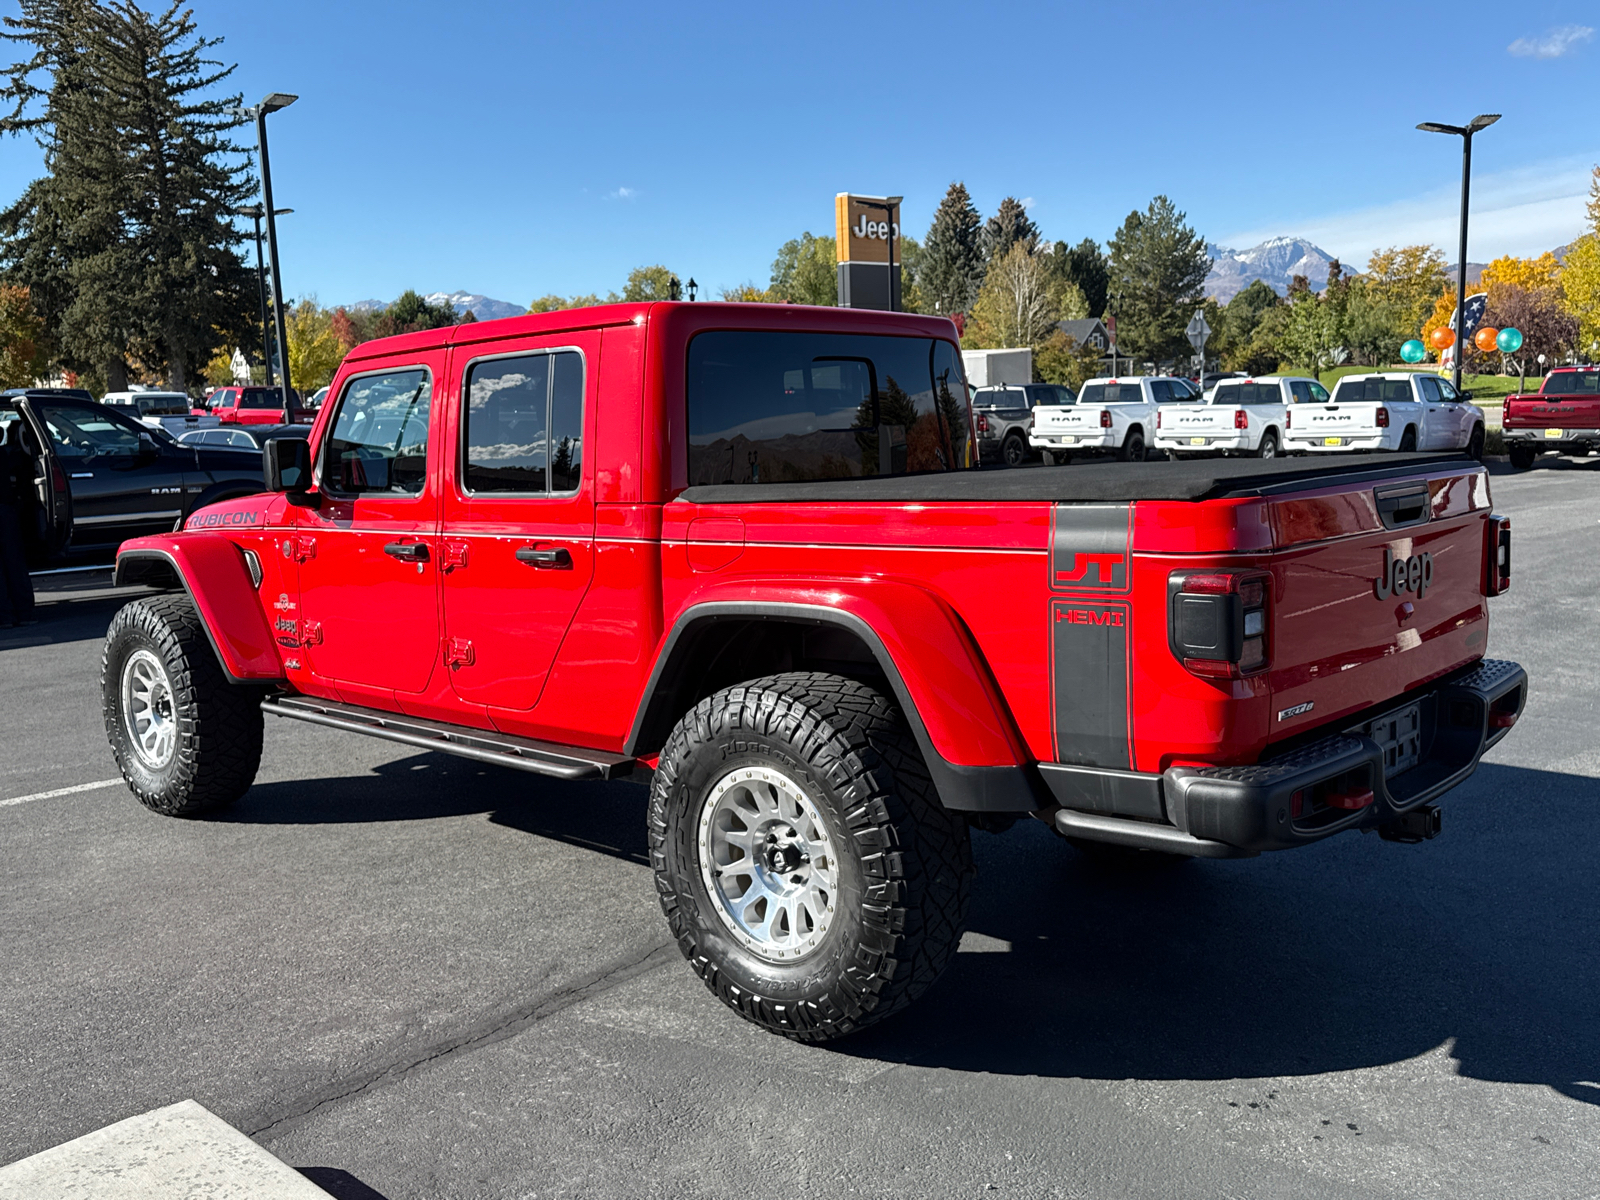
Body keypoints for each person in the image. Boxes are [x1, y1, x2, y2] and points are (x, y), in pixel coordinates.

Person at [0, 418, 38, 627]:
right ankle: (25, 613)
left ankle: (4, 616)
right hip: (7, 509)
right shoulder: (6, 456)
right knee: (15, 562)